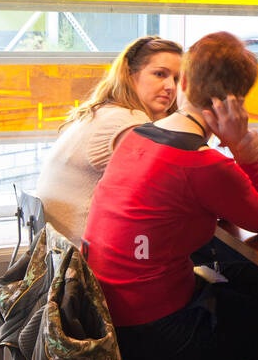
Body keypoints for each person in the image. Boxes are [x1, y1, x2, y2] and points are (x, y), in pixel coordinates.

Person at [83, 32, 258, 360]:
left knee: (249, 287)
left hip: (107, 325)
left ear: (186, 83)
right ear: (236, 103)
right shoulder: (204, 163)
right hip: (154, 343)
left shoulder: (137, 137)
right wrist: (243, 149)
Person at [36, 36, 182, 245]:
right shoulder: (127, 122)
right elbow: (172, 194)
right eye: (160, 74)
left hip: (58, 257)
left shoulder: (103, 112)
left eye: (177, 79)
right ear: (130, 75)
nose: (171, 87)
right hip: (84, 266)